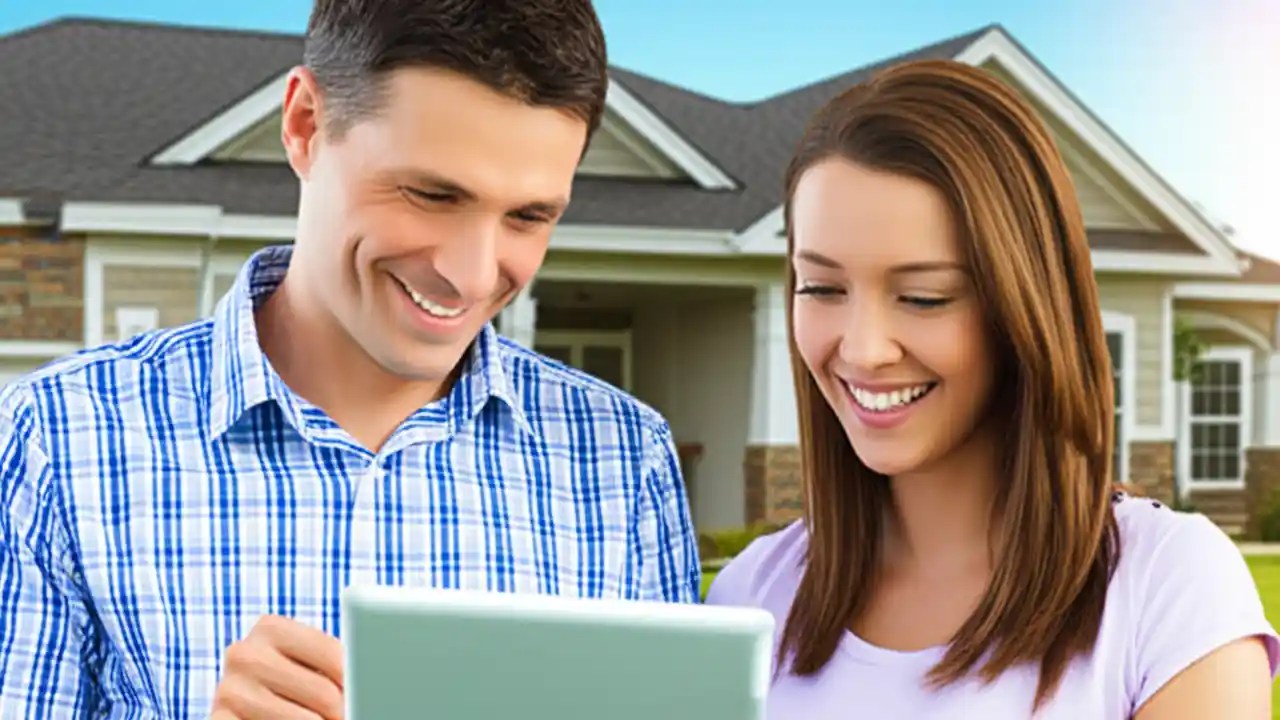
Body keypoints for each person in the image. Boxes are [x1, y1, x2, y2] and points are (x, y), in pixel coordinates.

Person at [0, 1, 700, 717]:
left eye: (528, 216)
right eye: (431, 194)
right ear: (306, 125)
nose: (469, 275)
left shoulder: (624, 461)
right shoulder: (60, 439)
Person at [705, 59, 1278, 718]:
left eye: (924, 297)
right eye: (822, 288)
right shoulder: (752, 598)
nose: (862, 349)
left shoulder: (1167, 587)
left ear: (1025, 307)